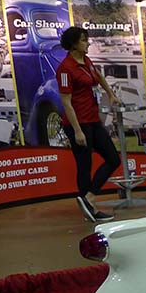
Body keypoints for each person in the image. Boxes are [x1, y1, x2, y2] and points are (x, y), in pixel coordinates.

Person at [57, 26, 120, 222]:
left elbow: (98, 76)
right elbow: (66, 102)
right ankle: (90, 209)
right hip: (78, 123)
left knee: (113, 159)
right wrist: (77, 131)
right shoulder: (65, 68)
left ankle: (89, 198)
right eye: (83, 40)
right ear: (73, 44)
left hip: (93, 120)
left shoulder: (87, 61)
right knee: (84, 165)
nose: (88, 43)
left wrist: (110, 93)